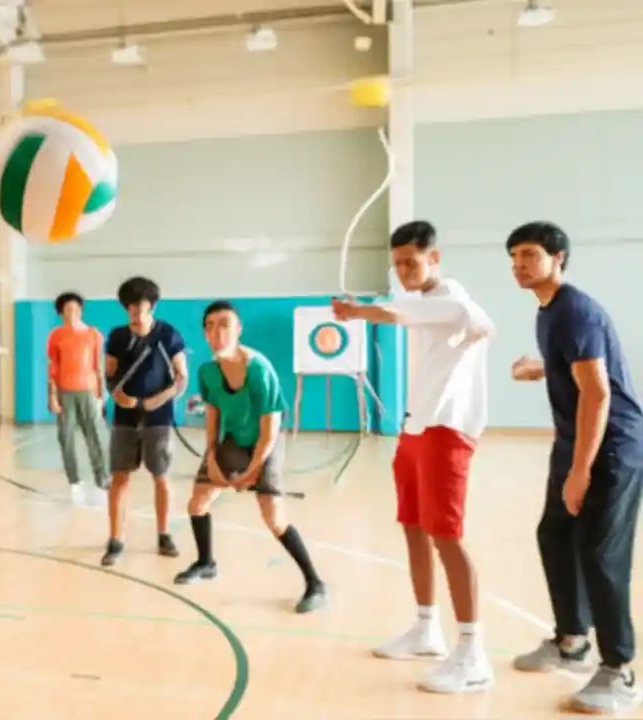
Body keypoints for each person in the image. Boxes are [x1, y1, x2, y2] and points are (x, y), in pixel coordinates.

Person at [332, 220, 494, 694]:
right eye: (397, 262)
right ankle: (426, 628)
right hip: (416, 426)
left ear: (435, 258)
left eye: (412, 262)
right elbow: (406, 310)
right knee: (414, 527)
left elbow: (450, 319)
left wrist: (358, 311)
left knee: (447, 535)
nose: (403, 270)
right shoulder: (423, 304)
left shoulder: (456, 303)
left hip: (448, 430)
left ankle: (473, 652)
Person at [507, 221, 643, 715]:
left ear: (557, 257)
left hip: (612, 449)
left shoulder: (576, 311)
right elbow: (576, 363)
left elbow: (598, 392)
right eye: (514, 257)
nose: (518, 265)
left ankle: (620, 670)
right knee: (555, 535)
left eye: (528, 254)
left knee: (601, 554)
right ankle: (572, 642)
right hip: (576, 443)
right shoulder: (550, 312)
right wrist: (537, 366)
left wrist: (581, 471)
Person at [175, 300, 328, 612]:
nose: (217, 331)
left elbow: (270, 431)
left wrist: (251, 472)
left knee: (273, 516)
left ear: (238, 329)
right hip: (233, 439)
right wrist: (214, 458)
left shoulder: (258, 370)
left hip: (265, 443)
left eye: (224, 324)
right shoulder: (207, 372)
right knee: (198, 501)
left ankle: (315, 583)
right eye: (210, 325)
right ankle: (206, 563)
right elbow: (213, 414)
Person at [101, 276, 187, 567]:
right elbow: (109, 374)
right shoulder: (117, 337)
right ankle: (115, 539)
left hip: (159, 418)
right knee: (120, 477)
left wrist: (161, 398)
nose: (137, 314)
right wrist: (116, 394)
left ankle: (164, 535)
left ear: (153, 306)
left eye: (142, 308)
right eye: (131, 309)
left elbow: (181, 377)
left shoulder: (169, 335)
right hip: (125, 417)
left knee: (160, 475)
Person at [46, 291, 109, 505]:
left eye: (75, 309)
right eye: (67, 309)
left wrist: (102, 397)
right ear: (61, 313)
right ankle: (75, 482)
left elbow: (99, 367)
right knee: (65, 438)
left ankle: (102, 482)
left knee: (94, 438)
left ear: (80, 311)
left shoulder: (93, 334)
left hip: (89, 392)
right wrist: (52, 396)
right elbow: (53, 368)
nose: (71, 313)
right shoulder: (56, 336)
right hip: (65, 393)